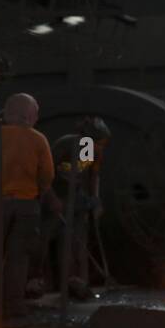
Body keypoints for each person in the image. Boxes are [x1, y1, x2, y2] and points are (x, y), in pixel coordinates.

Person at [0, 93, 54, 323]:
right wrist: (36, 192)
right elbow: (47, 175)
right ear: (29, 115)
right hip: (27, 205)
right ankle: (13, 307)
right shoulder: (38, 139)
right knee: (18, 258)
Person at [49, 116, 112, 300]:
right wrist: (52, 199)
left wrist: (95, 200)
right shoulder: (66, 145)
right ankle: (63, 285)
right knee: (61, 243)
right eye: (98, 142)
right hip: (59, 197)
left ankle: (80, 285)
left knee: (79, 244)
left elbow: (92, 176)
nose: (100, 147)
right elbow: (49, 172)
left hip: (76, 198)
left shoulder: (94, 151)